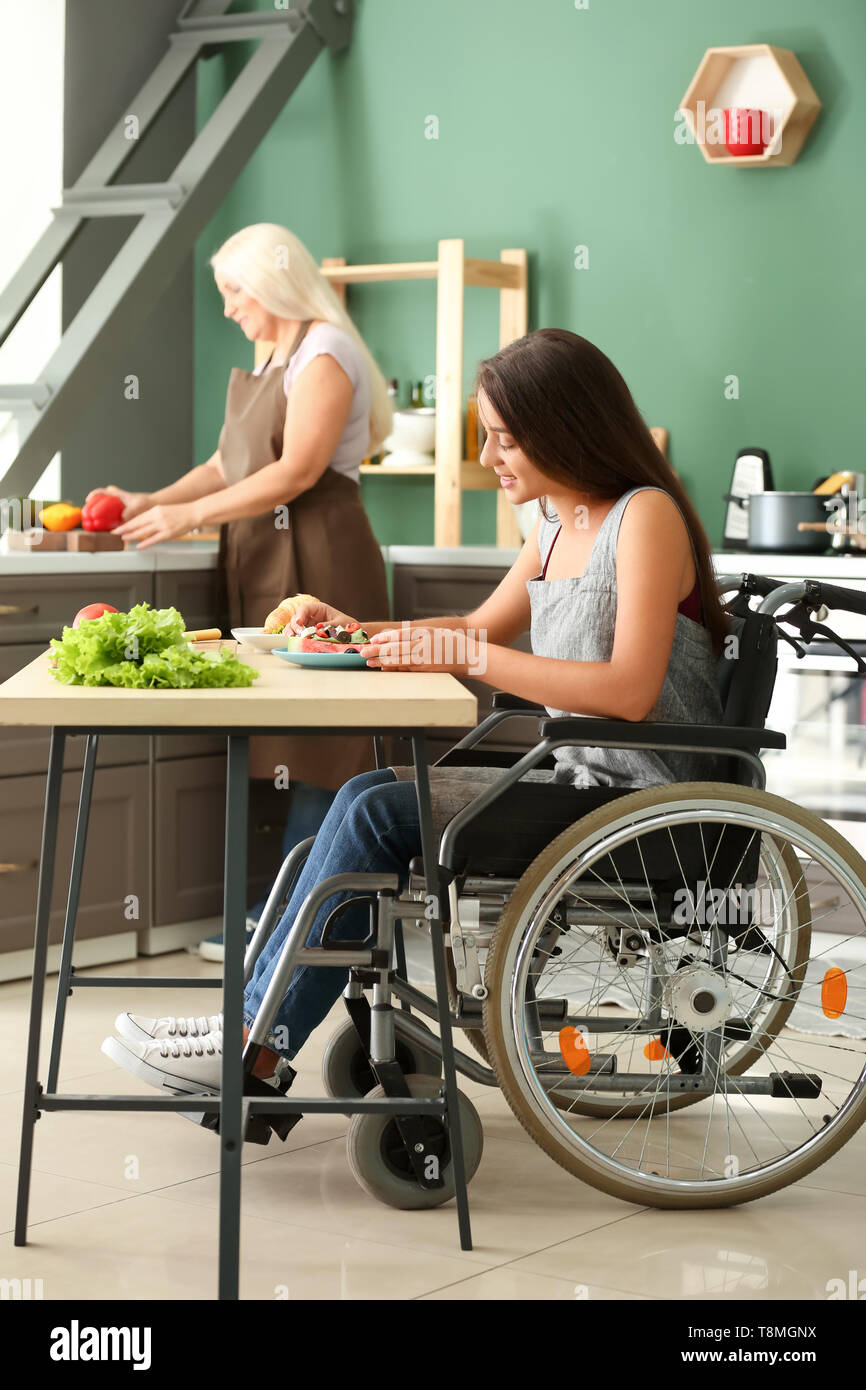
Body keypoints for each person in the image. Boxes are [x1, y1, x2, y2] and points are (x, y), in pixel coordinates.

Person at [101, 328, 731, 1101]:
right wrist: (354, 629)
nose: (492, 458)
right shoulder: (555, 526)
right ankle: (247, 1028)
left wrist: (466, 658)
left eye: (505, 440)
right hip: (580, 778)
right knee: (367, 795)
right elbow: (475, 630)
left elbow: (629, 690)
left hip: (640, 800)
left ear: (566, 428)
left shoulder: (646, 518)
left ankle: (254, 1049)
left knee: (378, 815)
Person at [89, 223, 392, 958]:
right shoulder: (276, 355)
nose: (227, 308)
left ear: (272, 283)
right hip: (268, 554)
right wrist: (148, 498)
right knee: (293, 737)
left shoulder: (325, 352)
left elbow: (295, 474)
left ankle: (288, 920)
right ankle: (294, 914)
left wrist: (188, 517)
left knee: (325, 742)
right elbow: (230, 466)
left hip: (321, 550)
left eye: (233, 291)